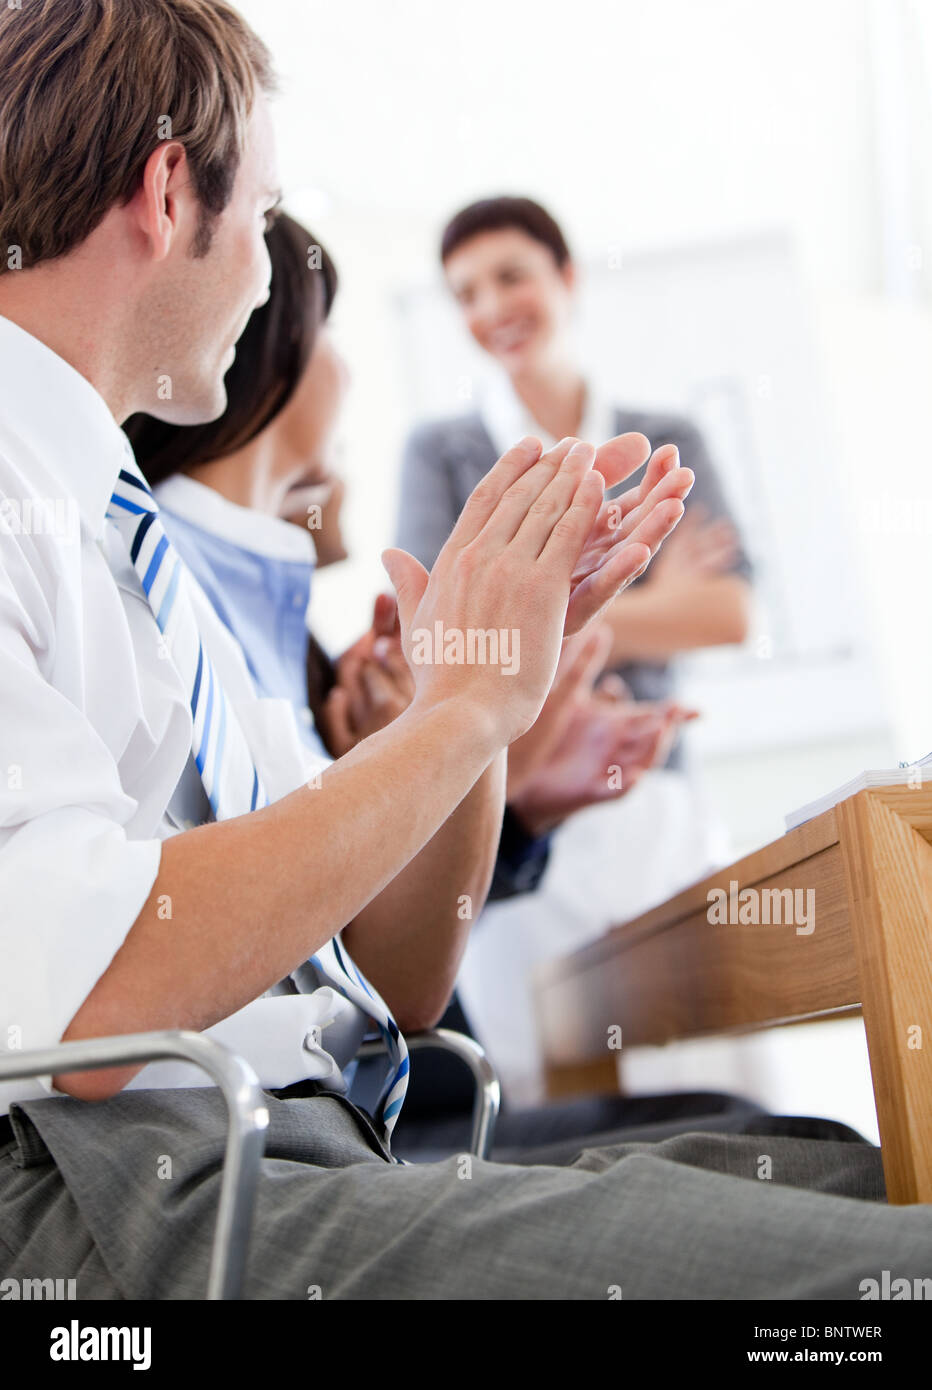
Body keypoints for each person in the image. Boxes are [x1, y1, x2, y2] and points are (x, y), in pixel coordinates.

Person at [1, 0, 927, 1302]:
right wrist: (459, 714)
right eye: (262, 215)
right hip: (118, 1190)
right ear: (169, 191)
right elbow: (85, 1007)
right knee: (893, 1266)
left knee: (844, 1167)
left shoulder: (124, 534)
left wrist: (485, 697)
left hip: (278, 1145)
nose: (271, 276)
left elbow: (394, 973)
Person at [125, 211, 768, 1157]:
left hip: (404, 1060)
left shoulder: (284, 617)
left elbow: (726, 614)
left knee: (736, 1093)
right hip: (326, 1123)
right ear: (269, 355)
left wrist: (486, 707)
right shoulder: (181, 594)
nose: (491, 309)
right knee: (755, 1137)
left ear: (566, 277)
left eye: (511, 278)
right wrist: (472, 697)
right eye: (466, 292)